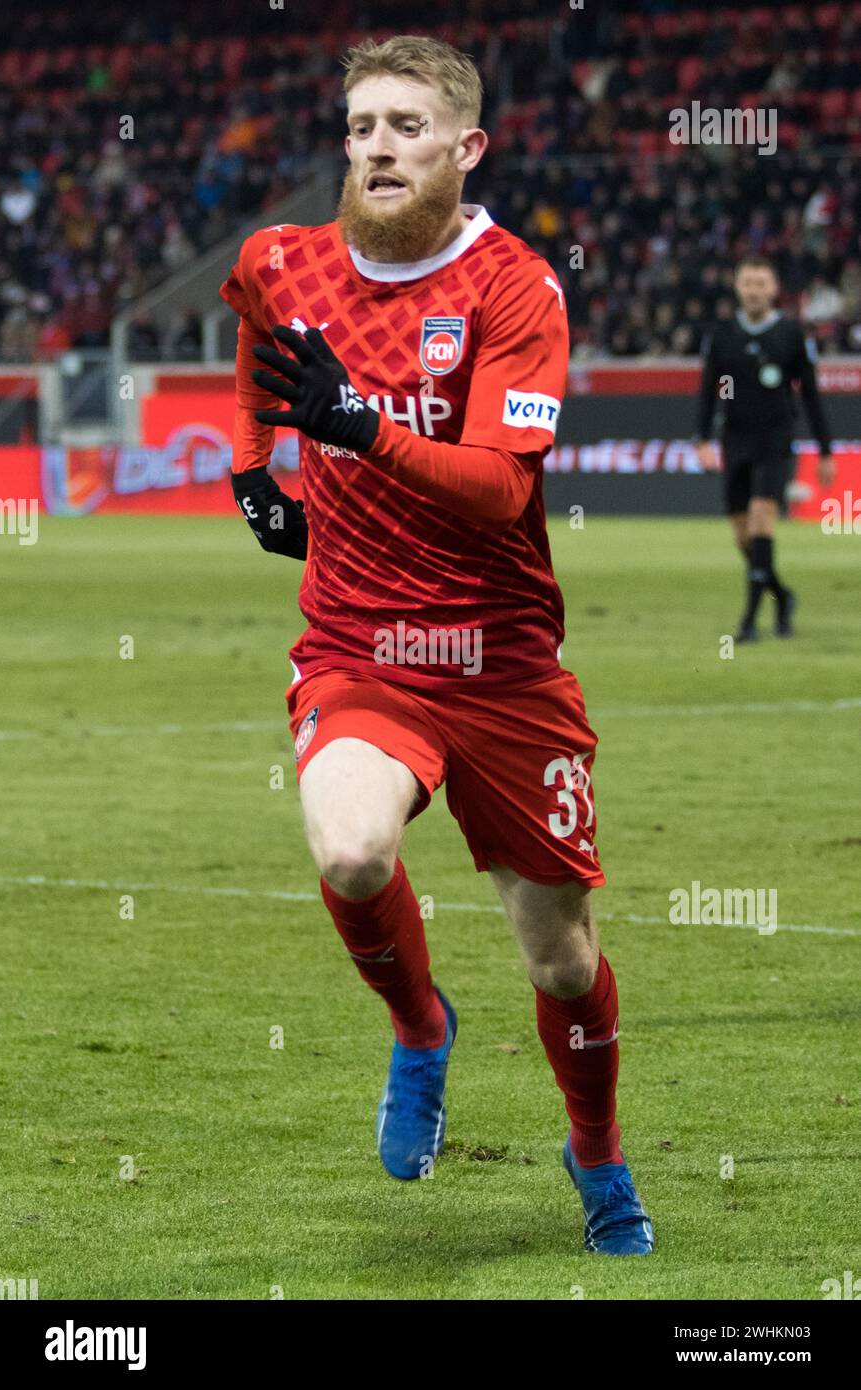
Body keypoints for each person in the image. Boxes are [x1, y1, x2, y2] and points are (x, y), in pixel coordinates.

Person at [220, 34, 652, 1256]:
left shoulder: (514, 286)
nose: (377, 147)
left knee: (561, 959)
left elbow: (500, 490)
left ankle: (598, 1155)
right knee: (351, 848)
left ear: (466, 148)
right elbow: (257, 352)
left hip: (503, 659)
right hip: (360, 641)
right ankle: (419, 1028)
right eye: (361, 126)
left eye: (407, 126)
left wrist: (358, 428)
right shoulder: (280, 260)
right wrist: (250, 471)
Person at [694, 257, 835, 641]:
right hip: (735, 440)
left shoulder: (791, 335)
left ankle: (750, 623)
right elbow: (710, 390)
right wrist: (703, 438)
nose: (754, 290)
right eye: (748, 283)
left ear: (773, 289)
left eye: (761, 283)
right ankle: (782, 595)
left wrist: (824, 451)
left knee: (761, 522)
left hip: (775, 441)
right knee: (744, 538)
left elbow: (811, 396)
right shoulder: (722, 335)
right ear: (738, 287)